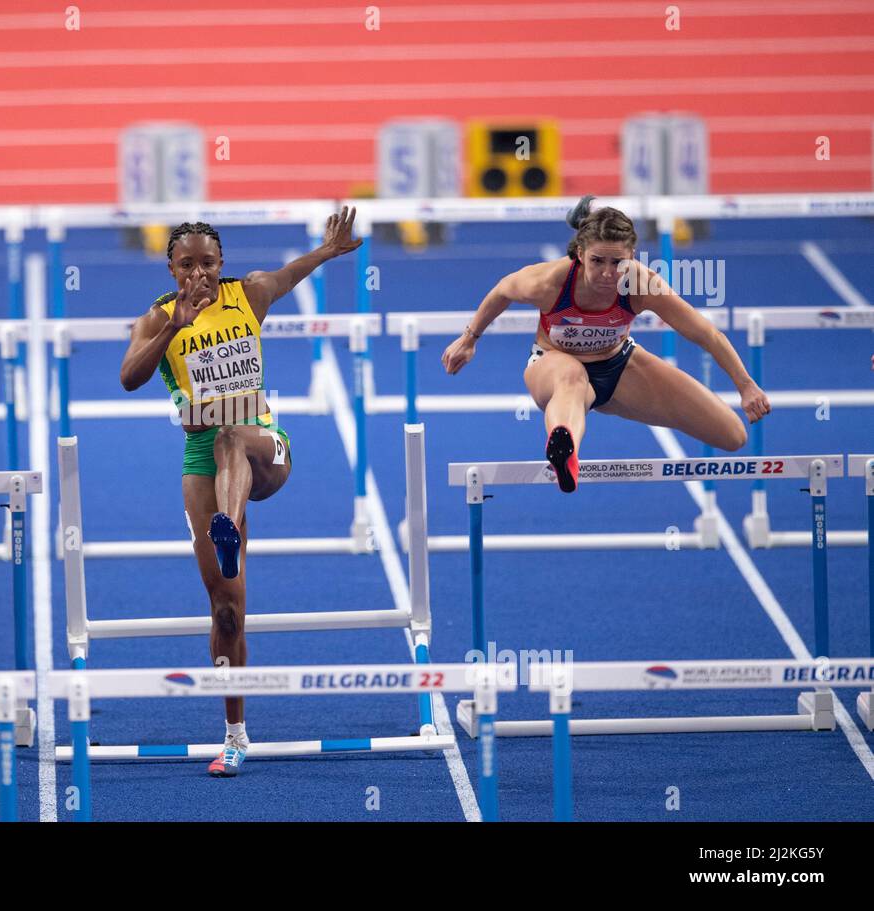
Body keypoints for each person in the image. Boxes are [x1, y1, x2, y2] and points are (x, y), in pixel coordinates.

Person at [119, 208, 362, 776]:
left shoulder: (247, 295)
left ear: (221, 263)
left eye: (207, 262)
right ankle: (235, 735)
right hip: (200, 457)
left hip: (263, 443)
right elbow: (129, 376)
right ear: (171, 267)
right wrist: (175, 326)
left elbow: (289, 275)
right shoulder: (157, 319)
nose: (198, 273)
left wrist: (326, 252)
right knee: (227, 611)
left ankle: (228, 526)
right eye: (186, 265)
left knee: (232, 434)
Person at [441, 195, 770, 492]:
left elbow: (704, 332)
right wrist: (470, 338)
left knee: (732, 435)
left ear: (632, 257)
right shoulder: (548, 282)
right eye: (598, 261)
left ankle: (586, 413)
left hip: (619, 365)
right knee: (572, 376)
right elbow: (502, 290)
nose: (608, 274)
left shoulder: (641, 284)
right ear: (580, 253)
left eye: (618, 263)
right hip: (554, 365)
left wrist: (746, 386)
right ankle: (565, 454)